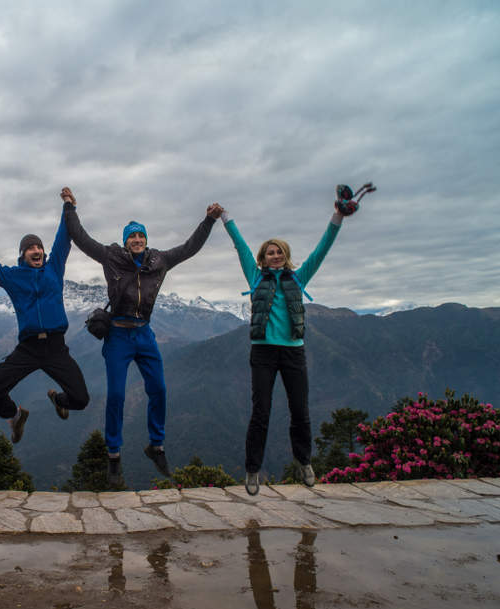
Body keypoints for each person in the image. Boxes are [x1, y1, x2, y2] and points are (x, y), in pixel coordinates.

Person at [61, 186, 223, 486]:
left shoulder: (159, 261)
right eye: (132, 236)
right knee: (116, 395)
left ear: (146, 239)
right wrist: (70, 207)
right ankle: (113, 455)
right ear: (125, 240)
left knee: (159, 389)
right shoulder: (111, 257)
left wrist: (209, 221)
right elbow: (81, 238)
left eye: (141, 236)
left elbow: (190, 247)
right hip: (117, 336)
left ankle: (156, 446)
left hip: (144, 334)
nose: (137, 240)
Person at [221, 194, 354, 495]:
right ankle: (253, 469)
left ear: (286, 255)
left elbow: (322, 250)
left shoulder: (299, 278)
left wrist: (337, 217)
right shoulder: (255, 276)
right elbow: (240, 246)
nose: (275, 256)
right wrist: (225, 217)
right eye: (270, 252)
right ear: (262, 258)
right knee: (261, 412)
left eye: (279, 251)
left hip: (294, 351)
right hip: (263, 352)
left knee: (300, 411)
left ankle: (304, 462)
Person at [0, 196, 90, 444]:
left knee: (81, 399)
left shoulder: (54, 268)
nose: (36, 251)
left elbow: (63, 238)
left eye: (39, 247)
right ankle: (15, 415)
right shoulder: (13, 276)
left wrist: (68, 206)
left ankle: (58, 400)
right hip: (28, 348)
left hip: (56, 348)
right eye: (30, 248)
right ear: (22, 255)